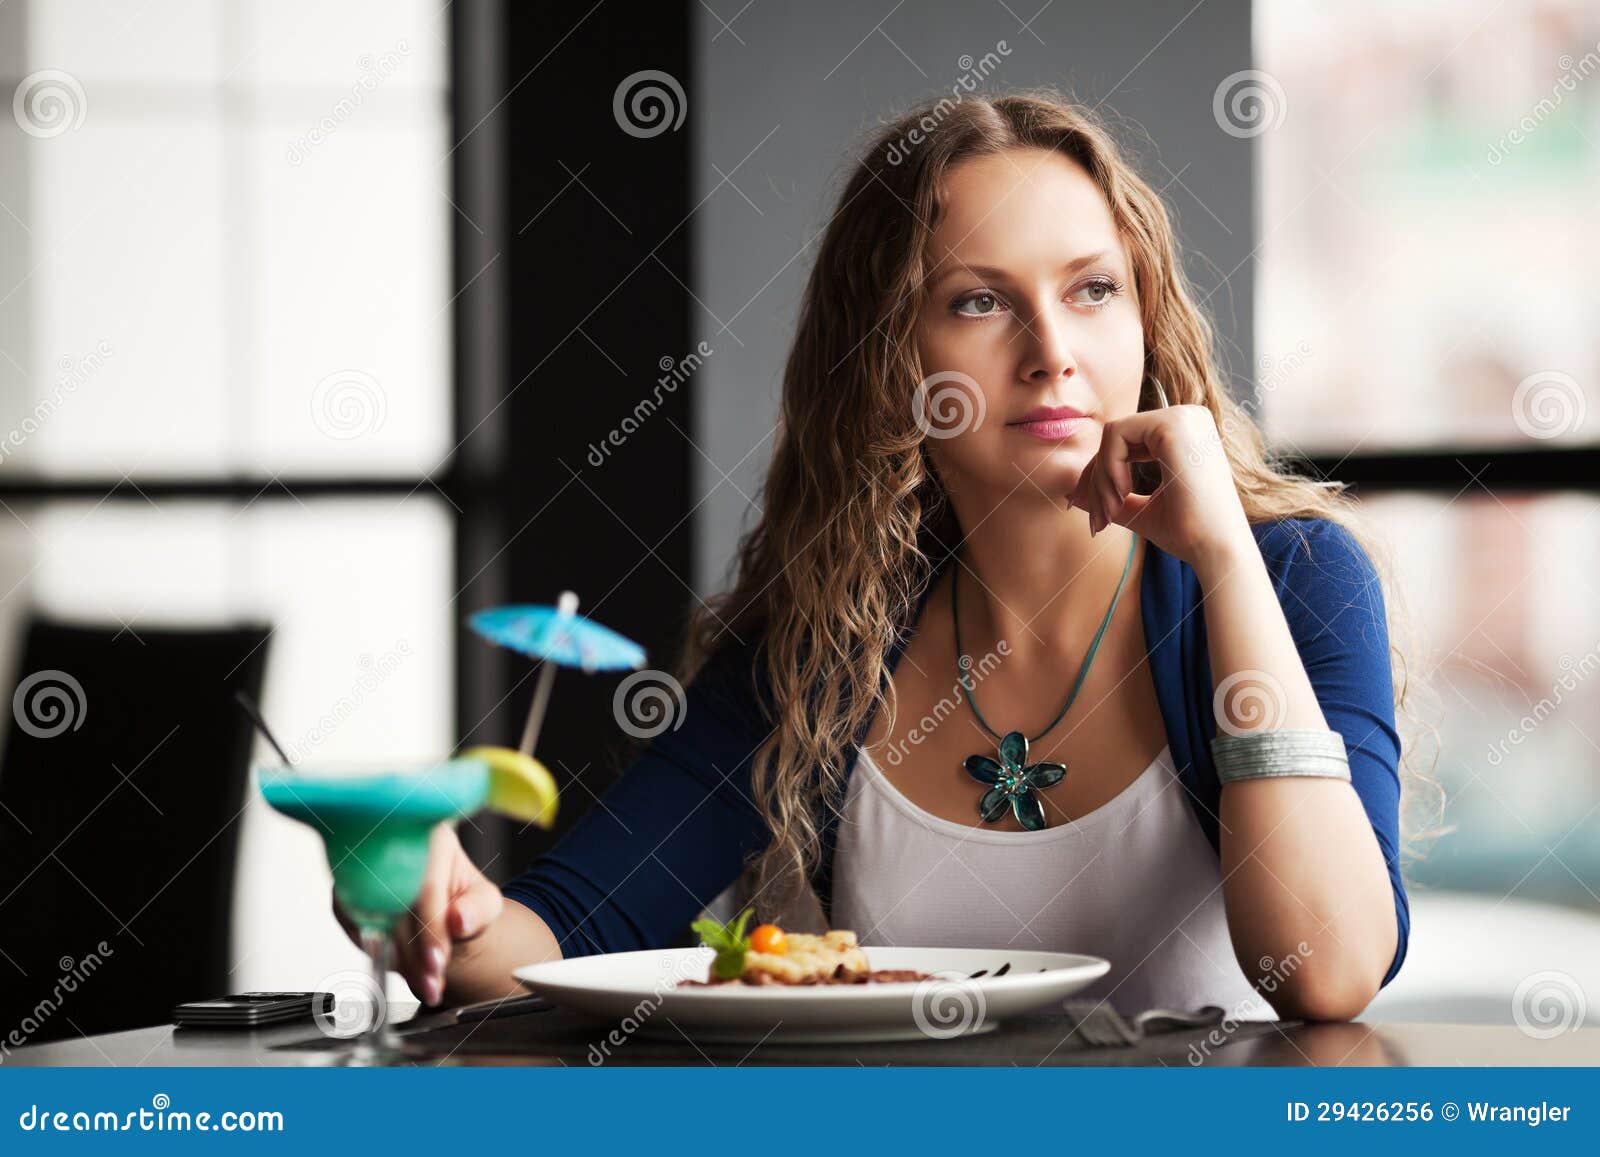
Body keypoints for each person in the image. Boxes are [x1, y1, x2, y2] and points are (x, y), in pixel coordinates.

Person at [341, 89, 1432, 1021]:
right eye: (978, 301)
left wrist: (1223, 553)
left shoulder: (1293, 578)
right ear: (889, 353)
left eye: (1092, 288)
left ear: (1145, 315)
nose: (1052, 351)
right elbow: (550, 946)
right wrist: (430, 898)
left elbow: (1328, 971)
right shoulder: (819, 640)